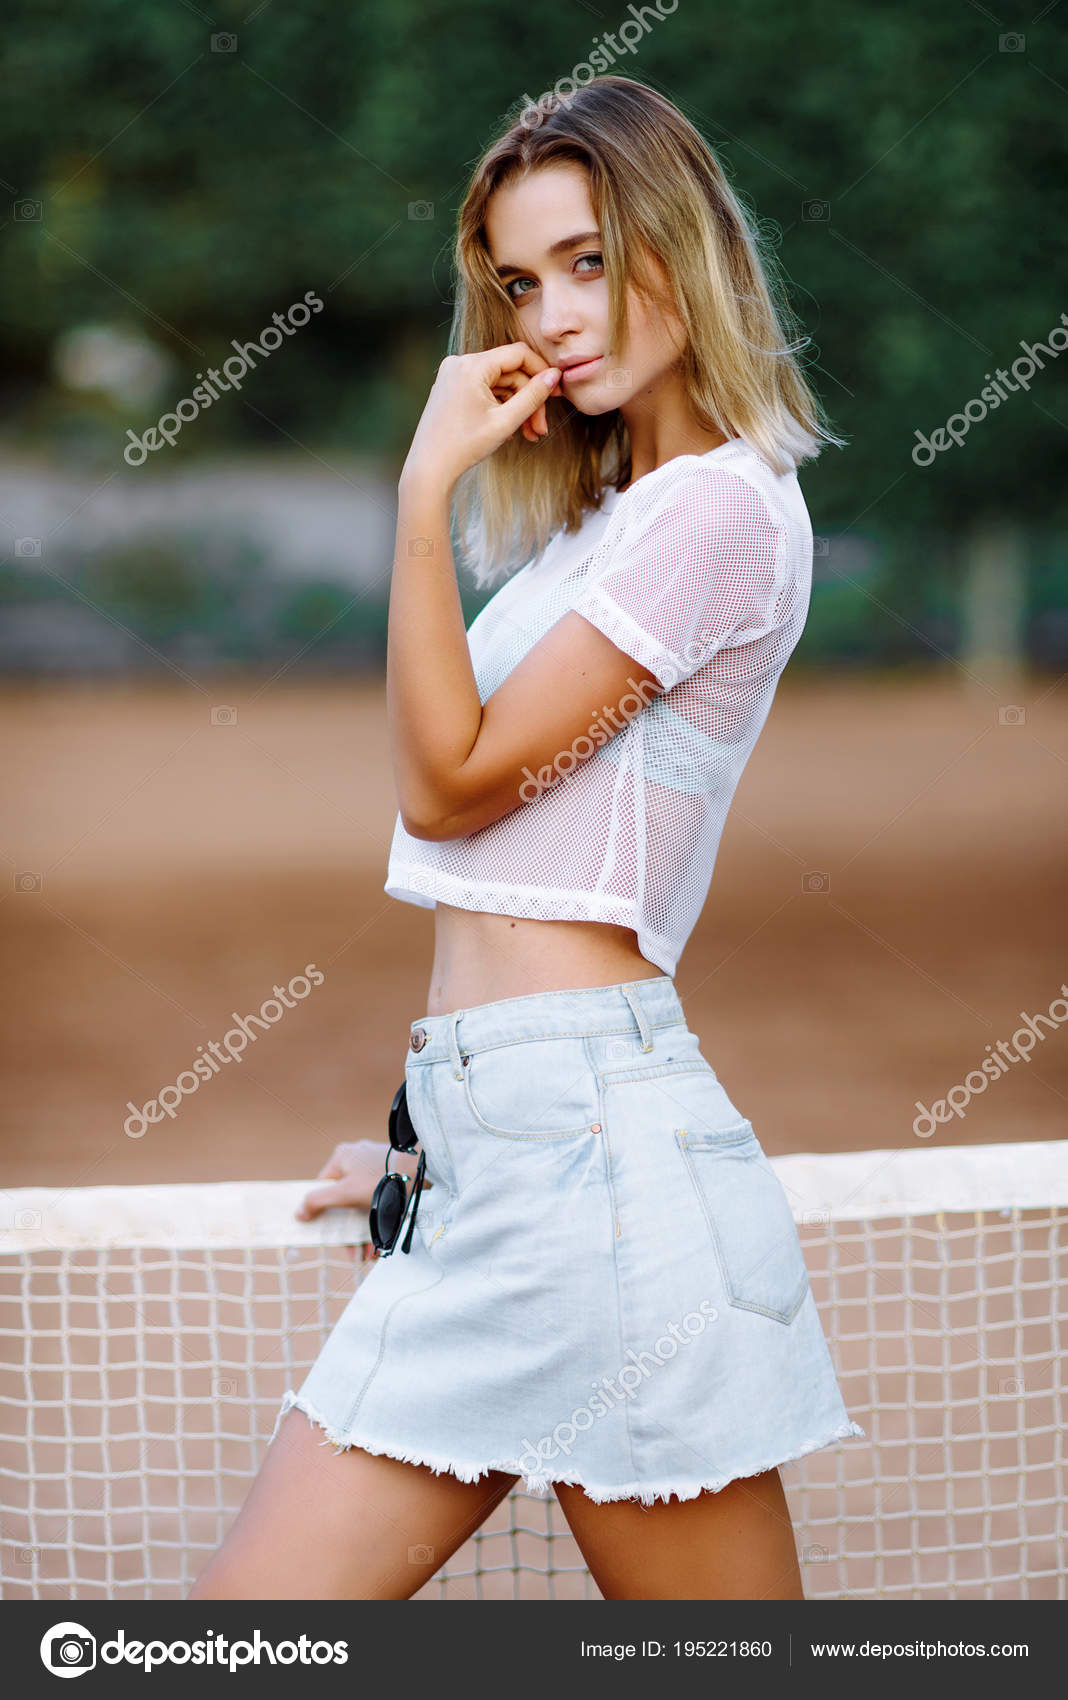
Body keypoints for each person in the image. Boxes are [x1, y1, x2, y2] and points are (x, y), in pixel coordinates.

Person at [189, 74, 864, 1604]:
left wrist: (422, 490)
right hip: (502, 1159)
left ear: (680, 247)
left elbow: (452, 787)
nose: (553, 314)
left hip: (605, 1170)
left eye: (585, 260)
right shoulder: (607, 526)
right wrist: (448, 1150)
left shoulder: (720, 512)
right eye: (516, 279)